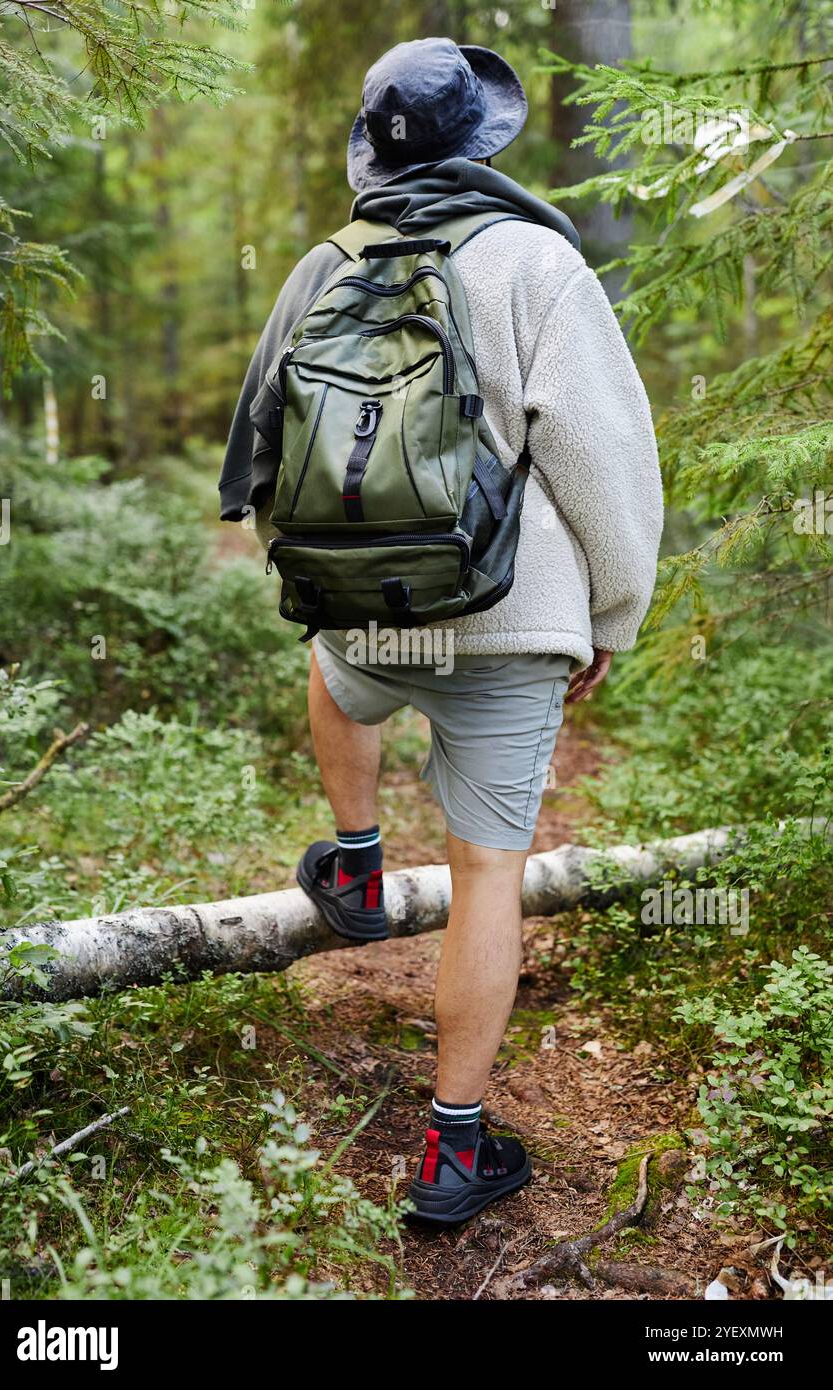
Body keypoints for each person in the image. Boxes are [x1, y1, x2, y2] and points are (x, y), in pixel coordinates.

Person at [219, 37, 663, 1225]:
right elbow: (605, 465)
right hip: (510, 624)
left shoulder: (325, 262)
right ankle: (452, 1153)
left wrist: (331, 576)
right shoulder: (535, 260)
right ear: (482, 141)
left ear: (377, 147)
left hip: (369, 622)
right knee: (486, 876)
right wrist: (607, 612)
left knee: (331, 670)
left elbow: (257, 448)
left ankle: (354, 860)